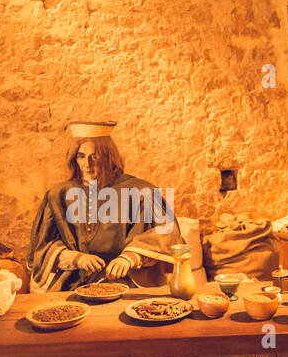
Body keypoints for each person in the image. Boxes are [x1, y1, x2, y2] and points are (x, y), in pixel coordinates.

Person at [29, 121, 184, 292]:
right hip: (75, 282)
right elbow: (43, 245)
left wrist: (130, 257)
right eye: (81, 155)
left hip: (128, 280)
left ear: (109, 157)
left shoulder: (141, 190)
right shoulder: (58, 194)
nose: (87, 164)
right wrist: (75, 258)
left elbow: (168, 231)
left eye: (94, 156)